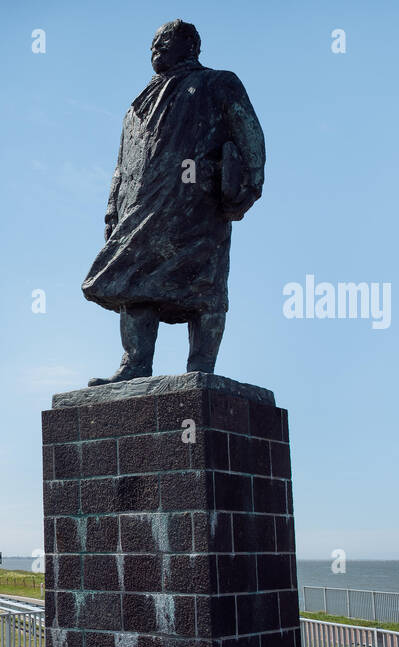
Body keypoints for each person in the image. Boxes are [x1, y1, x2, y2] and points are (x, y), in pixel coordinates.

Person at [82, 20, 265, 383]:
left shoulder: (217, 83)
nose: (156, 48)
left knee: (204, 285)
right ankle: (135, 364)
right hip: (142, 207)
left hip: (197, 204)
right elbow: (123, 162)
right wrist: (111, 209)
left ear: (191, 45)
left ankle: (202, 368)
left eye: (165, 41)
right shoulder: (136, 105)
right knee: (133, 280)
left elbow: (251, 140)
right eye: (153, 43)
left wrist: (245, 188)